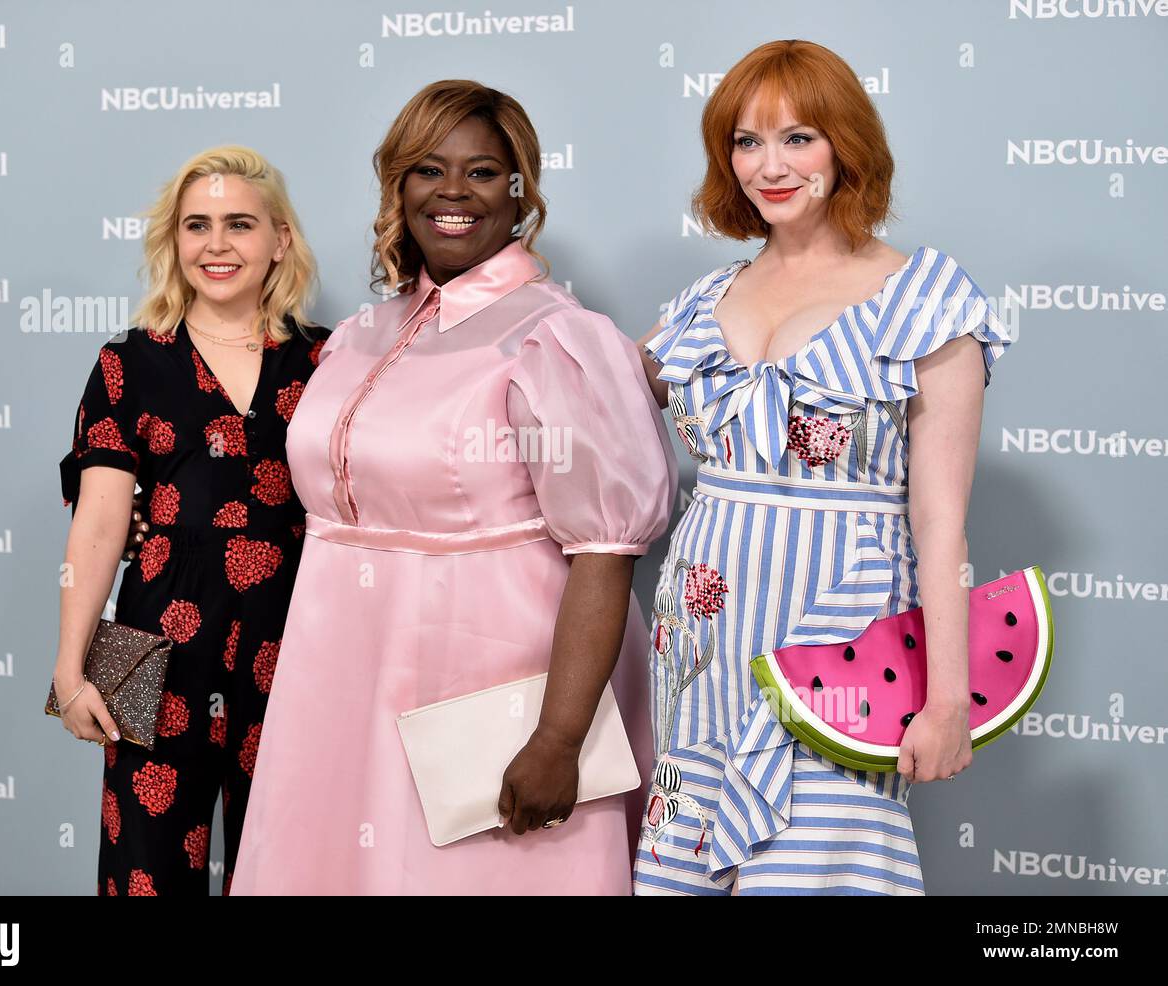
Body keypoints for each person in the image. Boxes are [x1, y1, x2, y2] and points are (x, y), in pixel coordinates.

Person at [228, 80, 677, 894]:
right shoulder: (362, 336)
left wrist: (559, 739)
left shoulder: (557, 338)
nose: (453, 193)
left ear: (519, 189)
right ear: (399, 186)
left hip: (490, 698)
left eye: (481, 172)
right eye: (429, 170)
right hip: (338, 683)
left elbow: (606, 554)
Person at [633, 40, 1013, 895]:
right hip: (697, 638)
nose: (770, 166)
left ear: (847, 144)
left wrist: (950, 699)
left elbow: (943, 519)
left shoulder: (926, 297)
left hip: (841, 632)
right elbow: (596, 406)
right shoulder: (701, 302)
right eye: (746, 142)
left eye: (798, 137)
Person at [53, 145, 328, 896]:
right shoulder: (128, 361)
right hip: (147, 641)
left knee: (284, 868)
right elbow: (101, 522)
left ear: (281, 240)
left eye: (239, 223)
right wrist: (70, 665)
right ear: (173, 243)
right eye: (196, 225)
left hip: (298, 639)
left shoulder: (330, 362)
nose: (216, 244)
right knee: (142, 867)